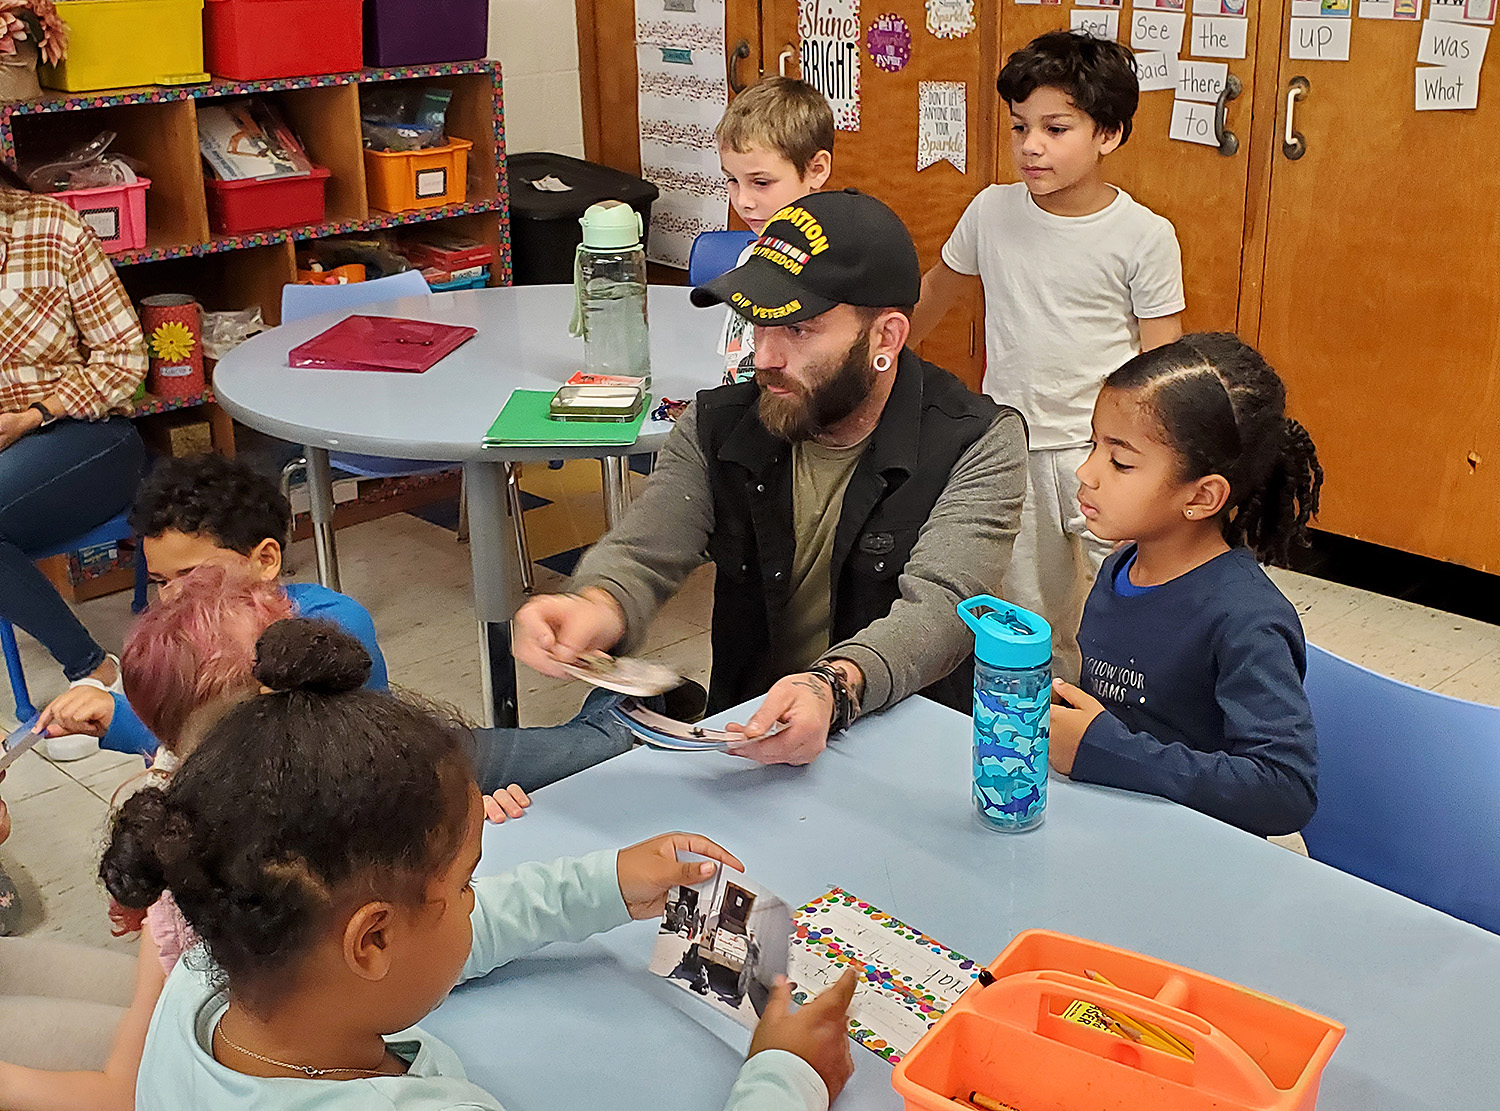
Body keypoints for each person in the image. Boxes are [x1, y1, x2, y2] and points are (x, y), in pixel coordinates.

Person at [100, 619, 861, 1111]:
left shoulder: (212, 975)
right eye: (464, 883)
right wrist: (784, 1080)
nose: (476, 900)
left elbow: (431, 929)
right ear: (372, 941)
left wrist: (599, 884)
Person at [513, 189, 1028, 767]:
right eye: (758, 325)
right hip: (752, 734)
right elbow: (644, 551)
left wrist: (831, 687)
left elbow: (946, 607)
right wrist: (596, 605)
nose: (765, 356)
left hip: (908, 745)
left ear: (886, 337)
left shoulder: (979, 441)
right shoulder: (716, 424)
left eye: (798, 330)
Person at [908, 30, 1186, 680]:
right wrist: (874, 361)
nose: (1031, 145)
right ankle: (1044, 726)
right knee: (1031, 614)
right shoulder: (991, 212)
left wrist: (1155, 463)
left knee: (1135, 600)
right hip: (1015, 444)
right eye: (1020, 127)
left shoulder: (1144, 237)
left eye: (1056, 128)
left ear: (1107, 134)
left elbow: (1163, 365)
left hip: (1111, 453)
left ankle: (1134, 721)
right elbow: (931, 297)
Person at [1048, 334, 1324, 837]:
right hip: (1116, 829)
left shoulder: (1246, 618)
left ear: (1202, 495)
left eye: (1121, 461)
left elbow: (1284, 790)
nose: (1085, 472)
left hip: (1198, 857)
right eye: (1093, 444)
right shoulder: (1121, 568)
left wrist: (1103, 751)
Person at [33, 452, 389, 757]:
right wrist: (118, 714)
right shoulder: (186, 639)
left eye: (192, 576)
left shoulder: (330, 630)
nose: (172, 596)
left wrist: (125, 720)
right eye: (161, 581)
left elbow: (242, 753)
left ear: (265, 559)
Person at [0, 162, 149, 763]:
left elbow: (124, 361)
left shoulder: (52, 226)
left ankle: (92, 666)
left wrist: (32, 415)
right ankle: (92, 663)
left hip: (84, 434)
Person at [715, 76, 834, 384]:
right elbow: (734, 362)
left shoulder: (831, 273)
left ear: (816, 170)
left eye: (761, 183)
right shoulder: (750, 258)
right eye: (732, 180)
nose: (742, 201)